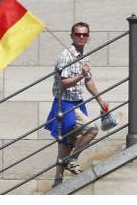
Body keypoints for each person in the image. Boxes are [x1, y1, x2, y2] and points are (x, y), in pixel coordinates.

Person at [45, 22, 108, 186]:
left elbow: (89, 81)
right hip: (65, 103)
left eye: (84, 35)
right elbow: (63, 83)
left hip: (78, 102)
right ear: (72, 36)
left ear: (88, 37)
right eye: (78, 34)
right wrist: (81, 75)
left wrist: (100, 99)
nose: (81, 37)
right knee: (92, 129)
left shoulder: (85, 55)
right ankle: (71, 160)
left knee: (68, 143)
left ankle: (58, 181)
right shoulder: (66, 55)